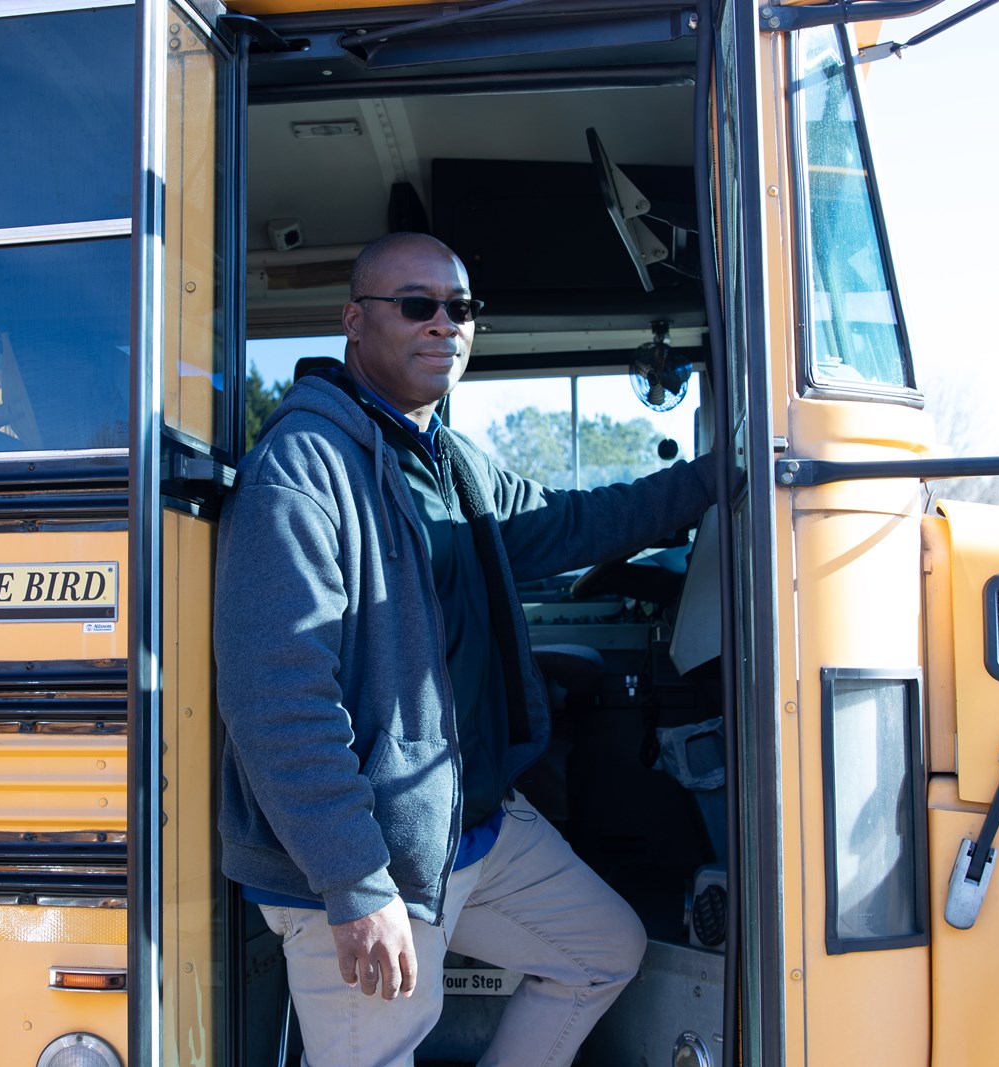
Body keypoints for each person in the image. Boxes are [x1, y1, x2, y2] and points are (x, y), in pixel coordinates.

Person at [214, 232, 714, 1066]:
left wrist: (712, 481)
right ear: (354, 321)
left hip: (464, 823)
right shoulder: (302, 470)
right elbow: (277, 697)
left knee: (602, 950)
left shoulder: (448, 460)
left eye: (461, 307)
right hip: (361, 849)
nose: (444, 323)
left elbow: (568, 522)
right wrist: (355, 882)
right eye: (417, 305)